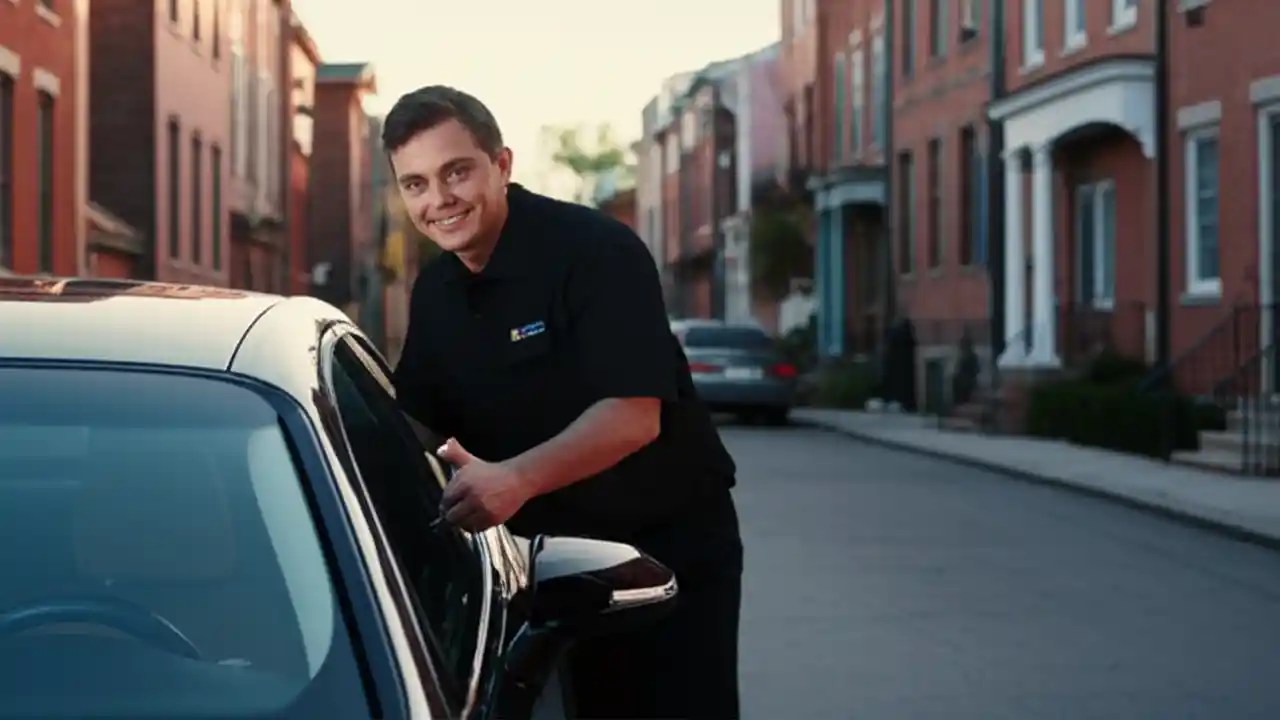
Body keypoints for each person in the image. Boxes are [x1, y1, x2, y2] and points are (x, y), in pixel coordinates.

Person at [384, 85, 744, 719]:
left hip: (660, 560)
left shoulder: (595, 252)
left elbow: (634, 416)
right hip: (537, 573)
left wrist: (515, 479)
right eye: (415, 184)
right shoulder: (436, 290)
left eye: (456, 172)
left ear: (501, 165)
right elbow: (412, 427)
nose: (438, 199)